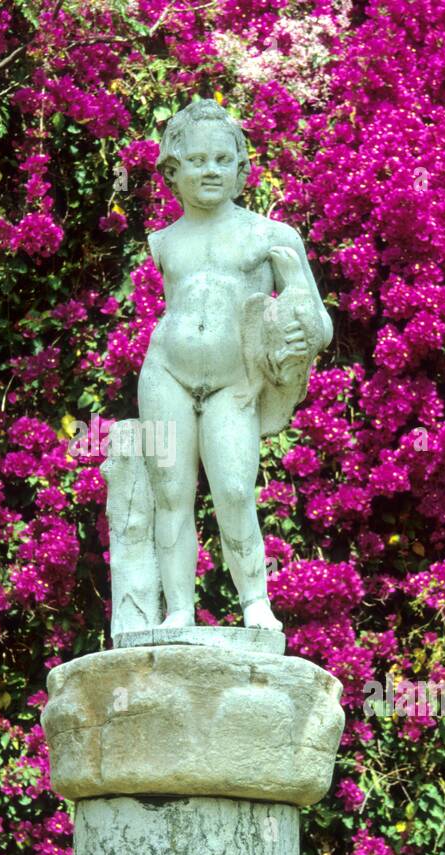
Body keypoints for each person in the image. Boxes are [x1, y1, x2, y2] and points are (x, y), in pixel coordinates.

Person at [140, 98, 332, 631]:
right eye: (197, 160)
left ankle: (255, 603)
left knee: (232, 489)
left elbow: (319, 324)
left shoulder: (270, 236)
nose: (210, 170)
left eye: (223, 160)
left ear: (242, 169)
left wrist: (295, 306)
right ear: (172, 171)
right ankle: (177, 611)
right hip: (166, 373)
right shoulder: (164, 241)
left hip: (236, 383)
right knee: (171, 494)